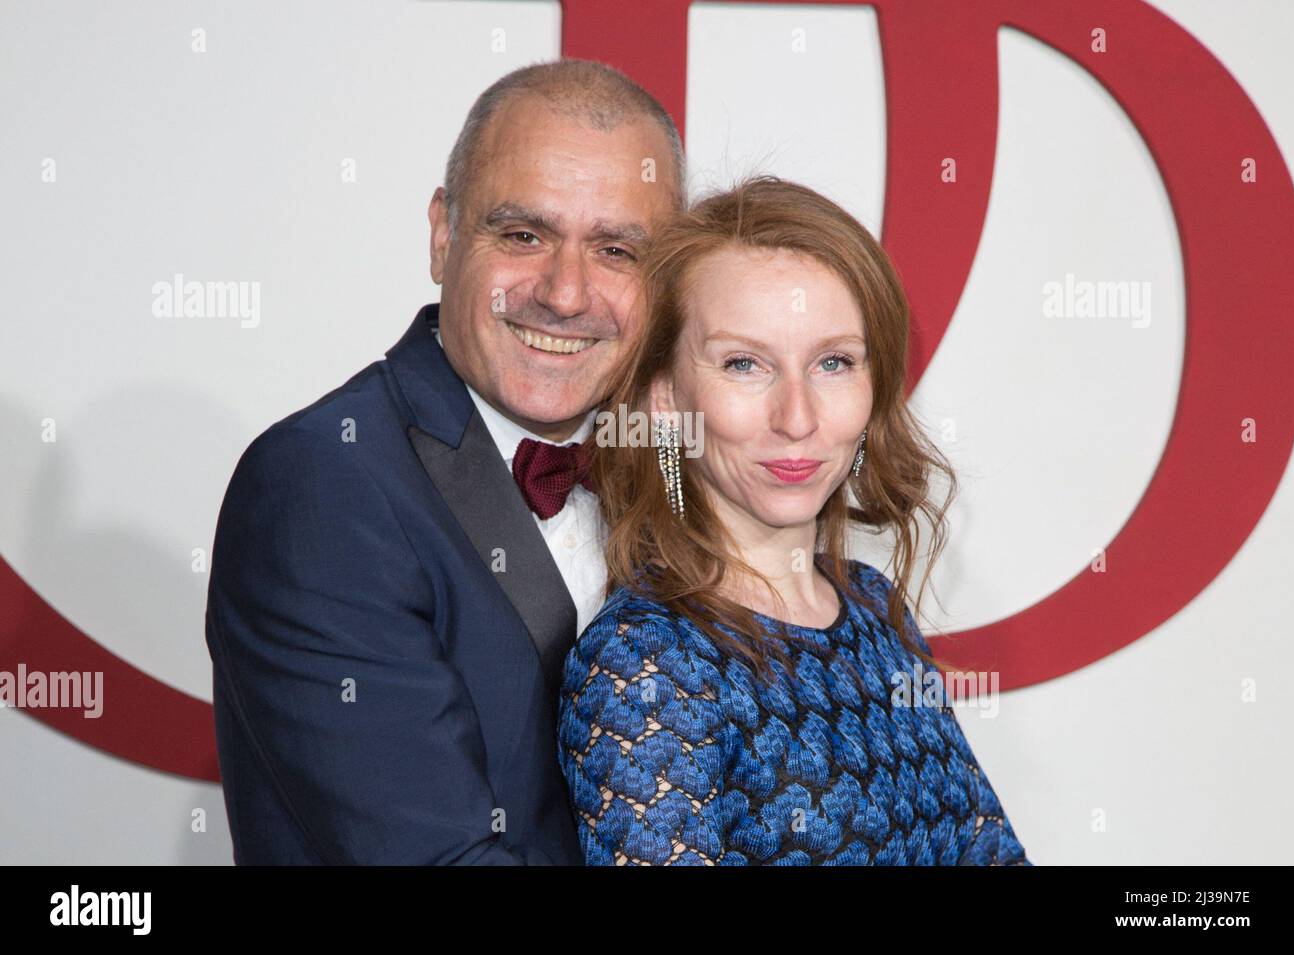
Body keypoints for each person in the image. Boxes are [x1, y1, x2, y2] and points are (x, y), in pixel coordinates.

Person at [204, 59, 683, 864]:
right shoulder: (320, 488)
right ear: (443, 233)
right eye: (523, 235)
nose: (565, 294)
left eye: (615, 250)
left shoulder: (679, 468)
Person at [557, 175, 1033, 865]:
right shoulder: (644, 662)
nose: (798, 417)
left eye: (833, 362)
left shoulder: (875, 606)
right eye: (744, 363)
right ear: (664, 399)